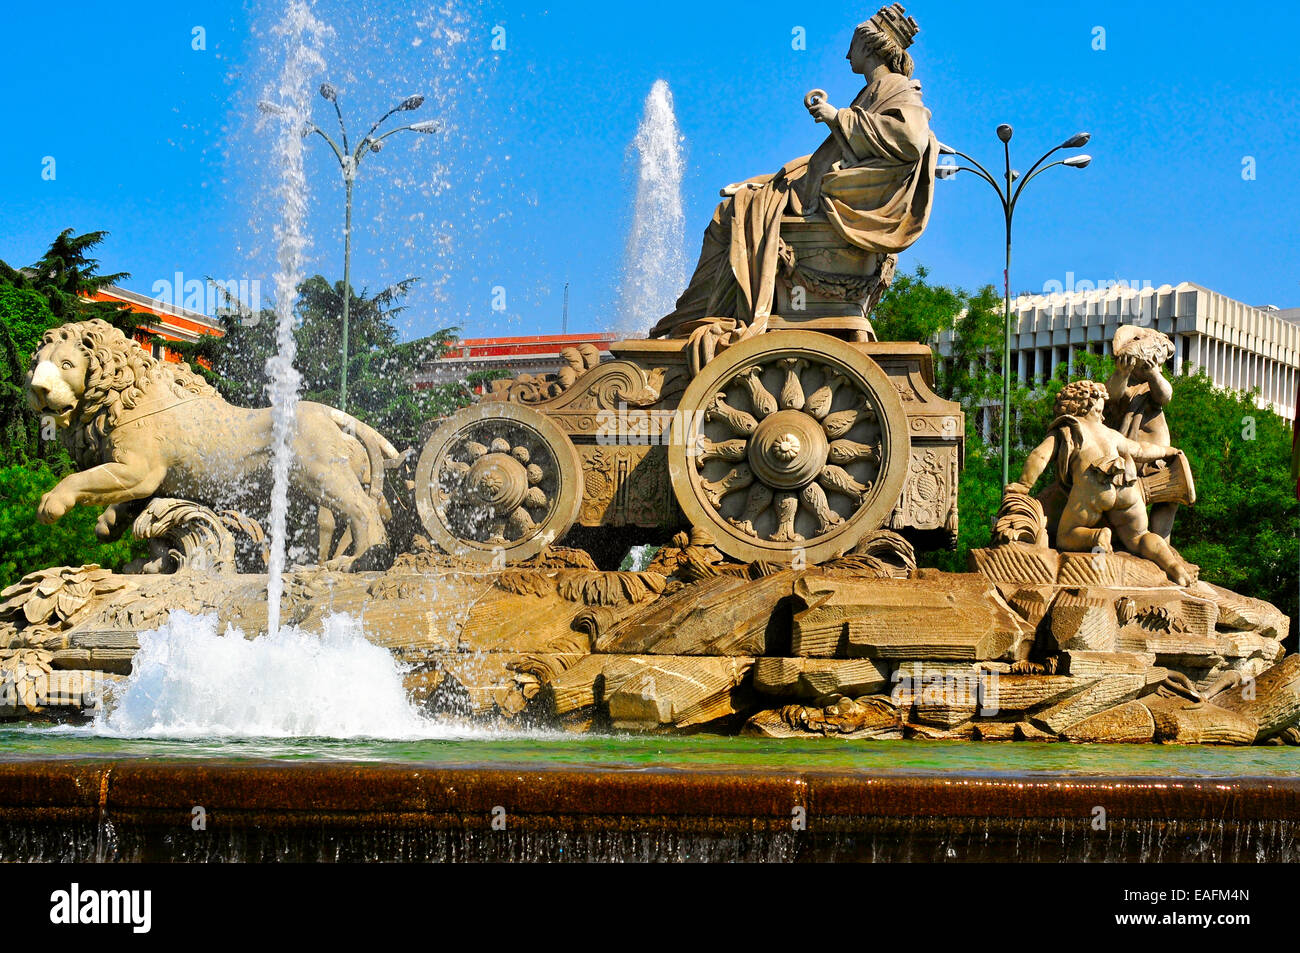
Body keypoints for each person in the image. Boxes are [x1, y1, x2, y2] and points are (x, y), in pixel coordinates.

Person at [647, 4, 937, 347]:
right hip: (825, 189)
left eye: (853, 46)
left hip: (836, 200)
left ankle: (698, 314)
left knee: (732, 215)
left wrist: (837, 117)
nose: (846, 56)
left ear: (870, 47)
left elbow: (911, 138)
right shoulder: (877, 90)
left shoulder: (897, 88)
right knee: (748, 198)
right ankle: (700, 310)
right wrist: (773, 179)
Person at [1006, 380, 1192, 586]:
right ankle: (1173, 566)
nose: (1103, 417)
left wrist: (1023, 485)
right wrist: (1169, 451)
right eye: (1099, 411)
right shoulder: (1110, 434)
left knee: (1065, 535)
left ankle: (1097, 537)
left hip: (1094, 486)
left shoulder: (1068, 429)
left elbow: (1039, 456)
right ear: (1087, 407)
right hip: (1126, 485)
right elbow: (1141, 450)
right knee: (1140, 537)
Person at [1104, 325, 1182, 539]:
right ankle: (1128, 539)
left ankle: (1161, 541)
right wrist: (1122, 372)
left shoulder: (1153, 385)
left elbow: (1165, 395)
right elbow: (1111, 395)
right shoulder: (1122, 382)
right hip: (1125, 453)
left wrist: (1154, 374)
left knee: (1168, 498)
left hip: (1155, 457)